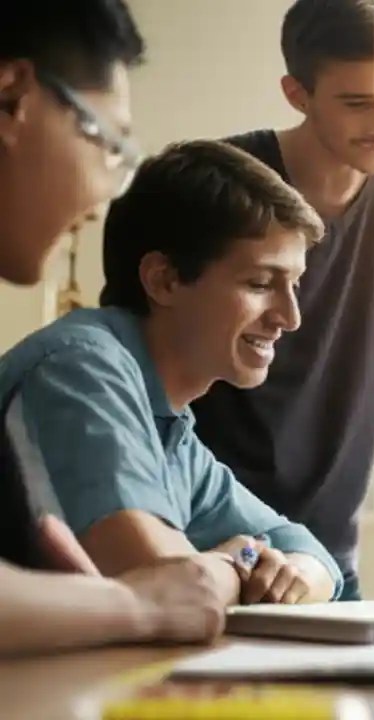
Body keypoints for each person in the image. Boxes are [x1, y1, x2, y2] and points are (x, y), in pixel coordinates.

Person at [189, 0, 374, 601]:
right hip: (201, 549)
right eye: (357, 102)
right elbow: (150, 360)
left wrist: (326, 425)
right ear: (297, 93)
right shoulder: (216, 184)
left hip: (329, 561)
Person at [0, 140, 344, 608]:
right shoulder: (80, 369)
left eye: (294, 285)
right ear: (164, 280)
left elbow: (315, 558)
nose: (290, 316)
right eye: (261, 284)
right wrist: (235, 562)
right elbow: (163, 582)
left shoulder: (172, 433)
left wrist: (271, 567)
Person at [0, 0, 225, 655]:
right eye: (109, 143)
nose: (105, 196)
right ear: (13, 97)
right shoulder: (80, 362)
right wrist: (135, 604)